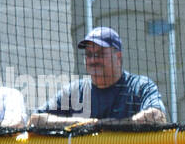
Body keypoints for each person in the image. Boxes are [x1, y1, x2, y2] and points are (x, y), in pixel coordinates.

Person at [27, 27, 167, 127]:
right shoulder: (75, 91)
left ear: (118, 57)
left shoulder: (139, 86)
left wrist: (112, 126)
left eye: (100, 54)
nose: (93, 60)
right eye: (88, 55)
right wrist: (85, 124)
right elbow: (35, 120)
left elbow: (157, 116)